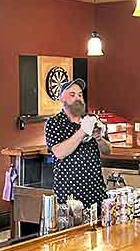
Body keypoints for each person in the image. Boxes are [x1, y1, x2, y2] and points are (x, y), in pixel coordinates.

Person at [45, 78, 111, 208]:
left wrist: (99, 139)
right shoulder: (54, 123)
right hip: (69, 196)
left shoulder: (92, 120)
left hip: (96, 193)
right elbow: (59, 153)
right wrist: (83, 131)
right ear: (62, 99)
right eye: (72, 95)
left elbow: (108, 150)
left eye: (80, 94)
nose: (78, 98)